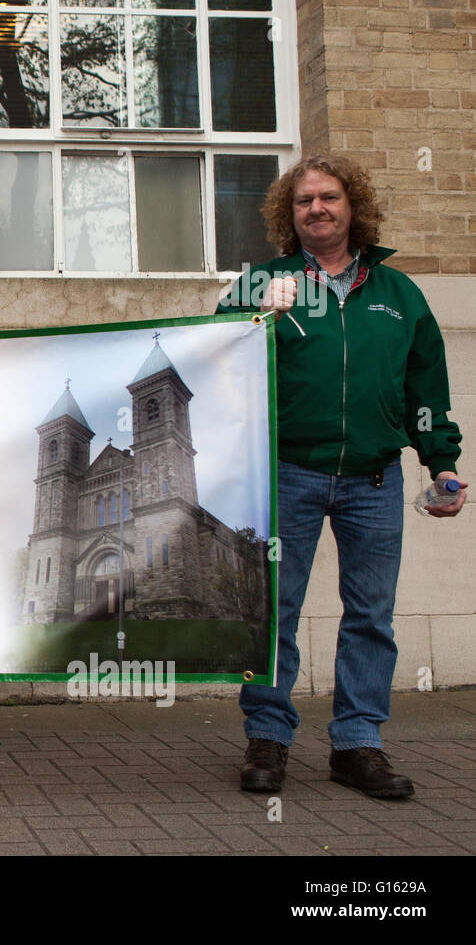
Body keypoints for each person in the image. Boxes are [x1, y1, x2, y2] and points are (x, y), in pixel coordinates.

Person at [217, 154, 465, 799]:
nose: (317, 209)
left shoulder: (399, 293)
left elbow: (426, 385)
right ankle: (268, 738)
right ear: (287, 213)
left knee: (371, 616)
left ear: (353, 207)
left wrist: (442, 461)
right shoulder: (261, 282)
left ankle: (358, 746)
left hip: (374, 480)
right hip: (287, 473)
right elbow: (210, 359)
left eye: (328, 197)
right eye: (303, 201)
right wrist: (249, 315)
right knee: (273, 613)